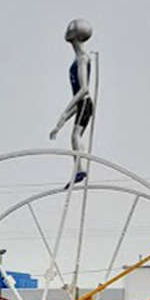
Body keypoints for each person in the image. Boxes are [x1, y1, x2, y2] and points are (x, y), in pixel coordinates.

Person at [49, 19, 94, 185]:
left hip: (84, 103)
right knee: (74, 136)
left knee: (75, 136)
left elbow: (84, 89)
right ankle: (79, 168)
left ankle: (80, 169)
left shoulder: (83, 58)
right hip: (80, 105)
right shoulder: (77, 59)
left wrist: (66, 110)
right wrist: (60, 122)